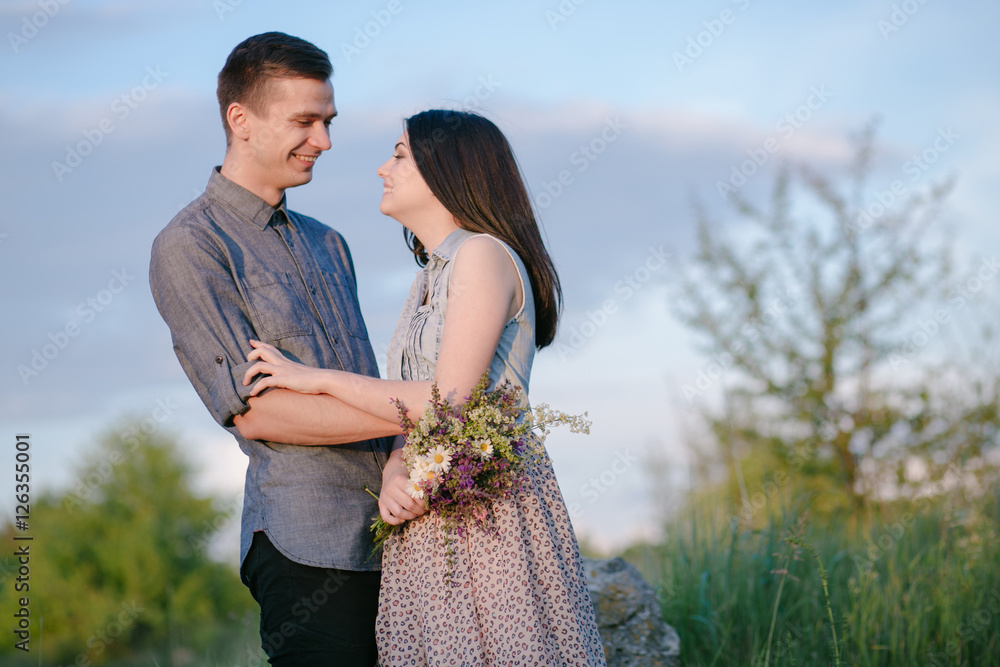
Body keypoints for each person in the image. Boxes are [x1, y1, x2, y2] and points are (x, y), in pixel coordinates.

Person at [241, 109, 607, 665]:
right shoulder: (428, 277)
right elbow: (414, 407)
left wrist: (313, 378)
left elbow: (448, 400)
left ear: (447, 169)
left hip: (489, 505)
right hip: (428, 506)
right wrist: (392, 472)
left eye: (400, 154)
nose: (383, 169)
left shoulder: (482, 255)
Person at [149, 32, 398, 665]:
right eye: (305, 121)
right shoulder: (190, 246)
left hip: (400, 536)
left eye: (328, 121)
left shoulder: (330, 243)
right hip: (307, 546)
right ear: (242, 120)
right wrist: (424, 411)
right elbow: (257, 411)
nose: (325, 140)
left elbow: (363, 378)